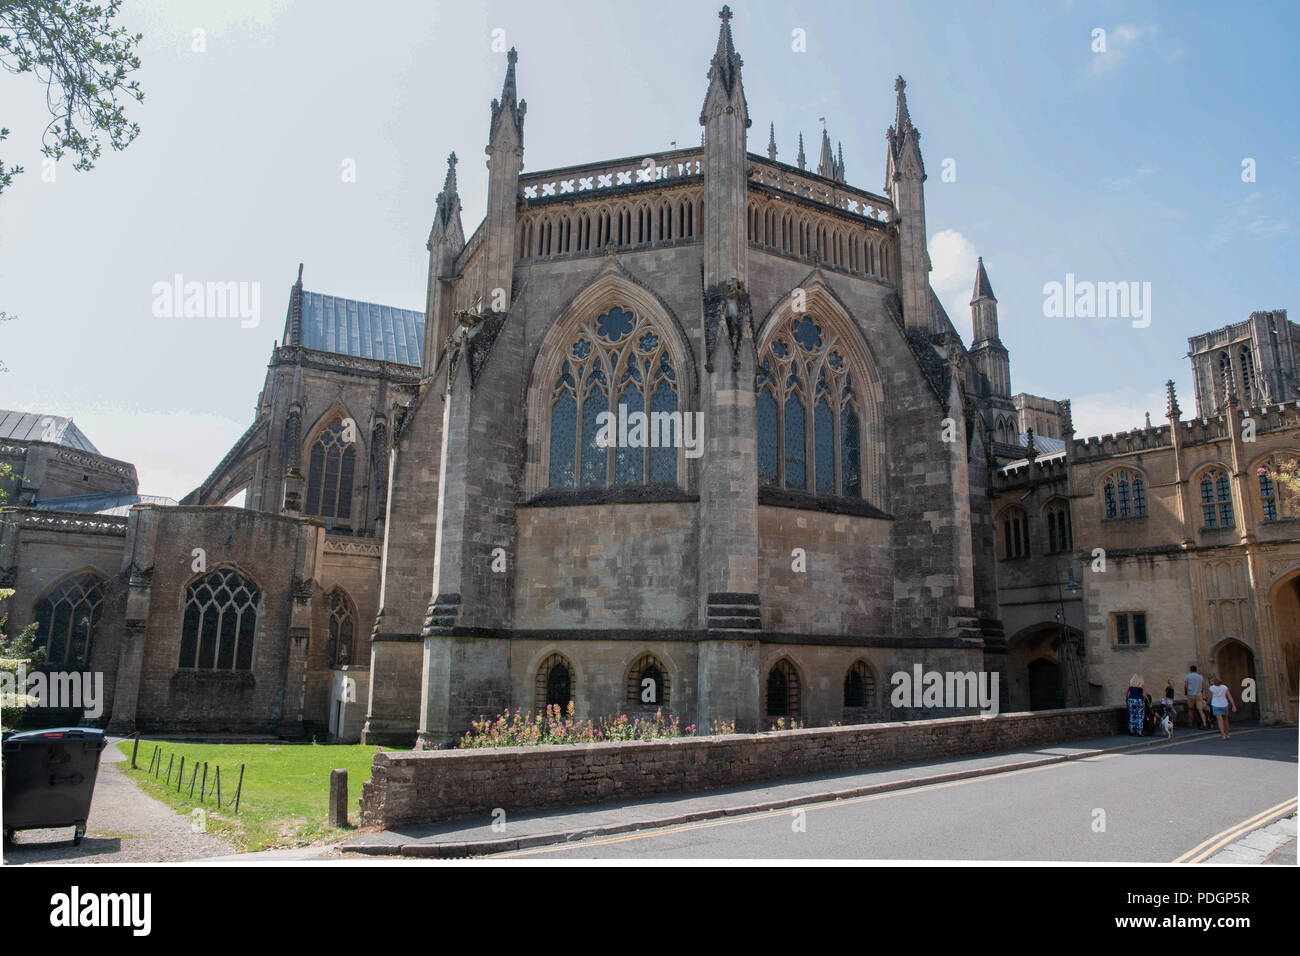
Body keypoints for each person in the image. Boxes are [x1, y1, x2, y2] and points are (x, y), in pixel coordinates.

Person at [1207, 675, 1237, 740]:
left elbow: (1209, 698)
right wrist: (1233, 705)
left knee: (1220, 721)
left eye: (1211, 681)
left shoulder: (1211, 688)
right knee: (1226, 720)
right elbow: (1229, 696)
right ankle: (1227, 734)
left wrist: (1207, 703)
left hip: (1216, 705)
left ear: (1213, 681)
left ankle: (1223, 735)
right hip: (1224, 704)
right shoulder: (1224, 687)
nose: (1210, 682)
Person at [1185, 665, 1209, 730]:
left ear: (1190, 670)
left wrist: (1186, 693)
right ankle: (1204, 724)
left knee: (1190, 709)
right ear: (1196, 670)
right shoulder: (1200, 677)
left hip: (1191, 694)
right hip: (1199, 694)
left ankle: (1190, 723)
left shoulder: (1188, 676)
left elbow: (1186, 686)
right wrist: (1201, 692)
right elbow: (1203, 686)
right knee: (1201, 710)